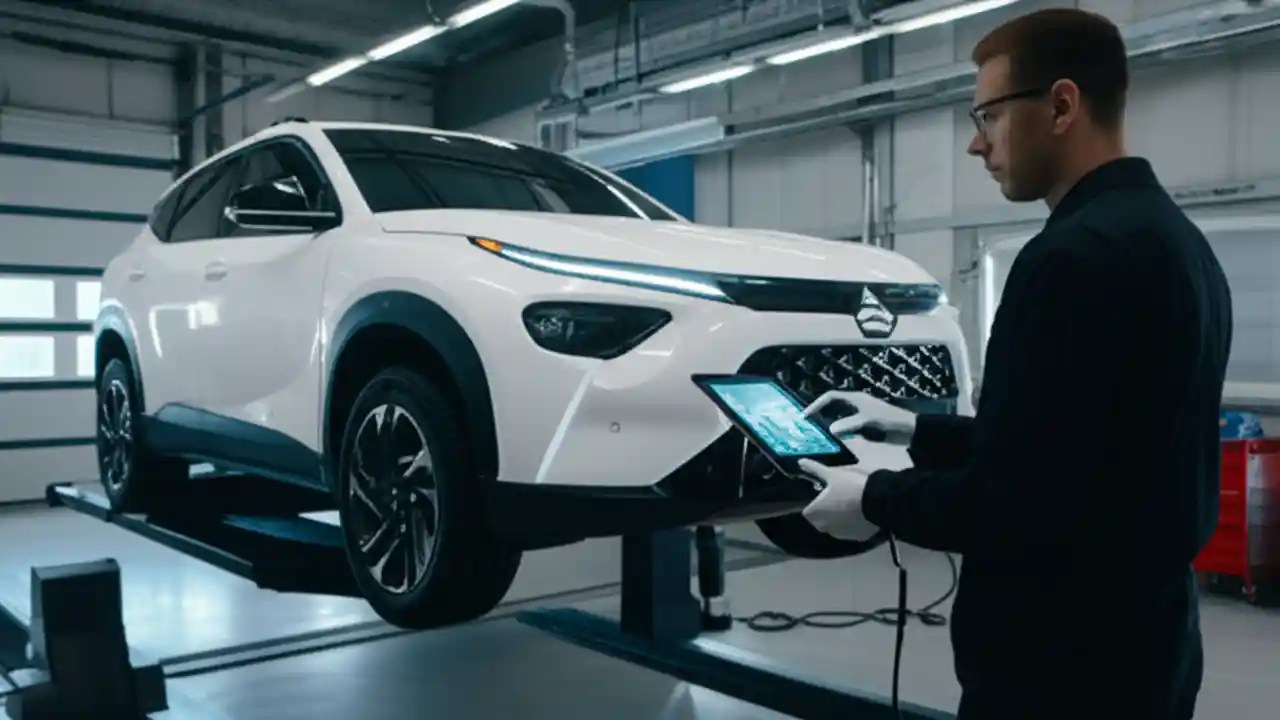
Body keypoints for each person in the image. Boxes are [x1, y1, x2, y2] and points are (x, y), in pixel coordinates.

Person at [796, 8, 1233, 720]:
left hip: (1056, 676)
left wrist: (874, 499)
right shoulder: (1180, 247)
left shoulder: (1068, 261)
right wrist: (916, 430)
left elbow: (1018, 504)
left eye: (989, 115)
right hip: (1150, 653)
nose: (976, 144)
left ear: (1061, 105)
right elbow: (1088, 453)